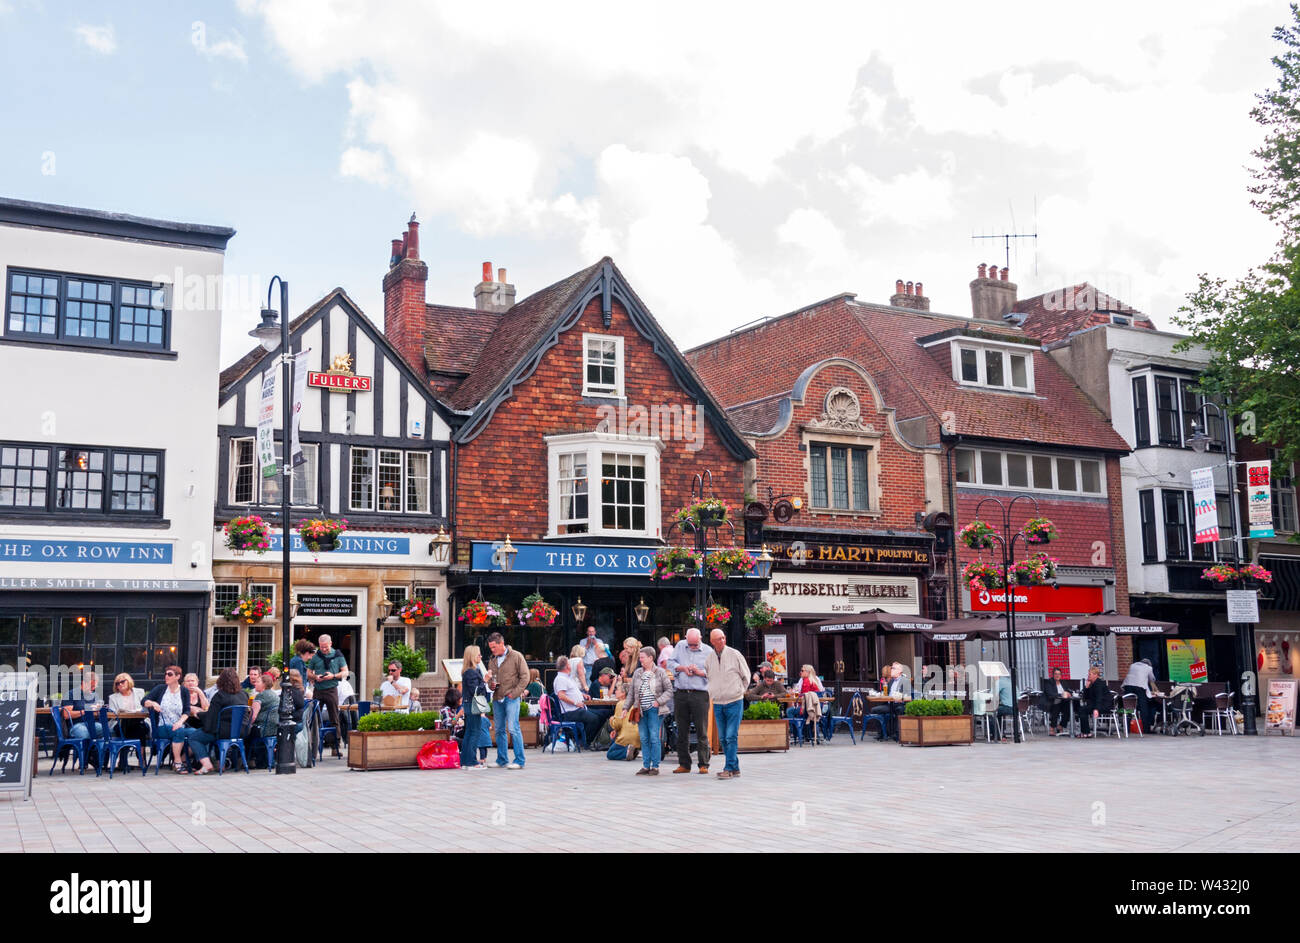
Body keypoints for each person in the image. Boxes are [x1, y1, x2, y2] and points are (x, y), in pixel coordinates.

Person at [181, 668, 248, 774]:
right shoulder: (243, 694)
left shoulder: (220, 696)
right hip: (241, 731)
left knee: (194, 738)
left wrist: (197, 713)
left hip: (223, 732)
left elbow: (211, 717)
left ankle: (207, 764)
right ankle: (219, 762)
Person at [666, 628, 712, 774]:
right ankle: (684, 764)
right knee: (682, 730)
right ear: (686, 639)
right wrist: (682, 668)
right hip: (681, 693)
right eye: (690, 644)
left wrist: (699, 672)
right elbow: (670, 663)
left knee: (701, 730)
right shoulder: (680, 645)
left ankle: (703, 764)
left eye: (695, 645)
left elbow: (714, 672)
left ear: (700, 639)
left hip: (700, 693)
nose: (692, 647)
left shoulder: (708, 651)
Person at [706, 629, 750, 779]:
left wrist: (740, 691)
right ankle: (735, 767)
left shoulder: (734, 654)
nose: (722, 641)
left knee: (731, 736)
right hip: (718, 702)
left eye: (723, 637)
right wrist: (712, 692)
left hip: (734, 701)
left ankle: (728, 768)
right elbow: (708, 676)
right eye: (718, 639)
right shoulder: (709, 658)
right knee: (724, 738)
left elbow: (746, 675)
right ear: (712, 641)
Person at [142, 666, 201, 773]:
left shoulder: (183, 691)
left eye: (170, 674)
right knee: (178, 731)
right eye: (165, 674)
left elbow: (187, 711)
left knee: (198, 734)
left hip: (179, 725)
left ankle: (182, 759)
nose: (166, 676)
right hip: (161, 726)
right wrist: (153, 703)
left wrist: (180, 722)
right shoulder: (160, 689)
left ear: (178, 676)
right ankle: (178, 762)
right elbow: (144, 701)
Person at [484, 631, 529, 770]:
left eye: (493, 647)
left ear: (501, 644)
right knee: (498, 730)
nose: (492, 650)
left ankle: (519, 760)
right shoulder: (492, 659)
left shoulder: (516, 656)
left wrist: (514, 694)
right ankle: (502, 759)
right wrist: (491, 684)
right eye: (490, 648)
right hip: (497, 698)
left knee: (513, 728)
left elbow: (525, 677)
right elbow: (491, 680)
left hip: (511, 698)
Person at [625, 645, 673, 775]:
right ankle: (646, 765)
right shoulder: (638, 673)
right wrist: (626, 708)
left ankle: (655, 766)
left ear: (651, 658)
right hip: (640, 710)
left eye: (642, 657)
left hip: (655, 710)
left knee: (654, 737)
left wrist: (658, 701)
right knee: (644, 738)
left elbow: (669, 690)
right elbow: (631, 693)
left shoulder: (660, 672)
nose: (640, 660)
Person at [307, 634, 349, 756]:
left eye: (325, 647)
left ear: (330, 643)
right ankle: (313, 748)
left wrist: (333, 676)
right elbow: (308, 672)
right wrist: (315, 677)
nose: (324, 649)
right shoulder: (316, 656)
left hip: (331, 689)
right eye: (321, 647)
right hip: (318, 690)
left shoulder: (338, 655)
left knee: (334, 718)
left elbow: (345, 671)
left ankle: (335, 747)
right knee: (314, 719)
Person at [552, 656, 605, 745]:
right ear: (567, 666)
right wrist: (575, 703)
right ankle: (585, 741)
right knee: (594, 719)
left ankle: (589, 739)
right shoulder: (561, 679)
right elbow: (561, 696)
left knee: (602, 714)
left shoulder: (567, 678)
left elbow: (572, 691)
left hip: (578, 708)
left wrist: (582, 695)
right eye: (569, 663)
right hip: (571, 711)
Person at [458, 646, 488, 770]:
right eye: (479, 655)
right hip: (472, 704)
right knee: (474, 733)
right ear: (472, 656)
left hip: (469, 704)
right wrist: (485, 681)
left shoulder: (471, 670)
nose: (481, 657)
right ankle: (472, 762)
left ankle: (465, 761)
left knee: (469, 732)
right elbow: (475, 690)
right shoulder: (471, 672)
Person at [246, 673, 280, 767]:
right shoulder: (274, 695)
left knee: (244, 734)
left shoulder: (260, 696)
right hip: (274, 729)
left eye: (258, 682)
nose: (255, 684)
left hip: (263, 729)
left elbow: (253, 716)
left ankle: (248, 761)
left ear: (264, 684)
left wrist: (247, 725)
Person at [107, 672, 148, 746]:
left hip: (139, 721)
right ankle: (141, 756)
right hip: (120, 724)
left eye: (122, 682)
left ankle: (125, 755)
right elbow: (112, 715)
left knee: (140, 727)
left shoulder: (140, 692)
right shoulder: (112, 697)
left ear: (128, 681)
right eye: (117, 683)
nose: (120, 684)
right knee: (137, 728)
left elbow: (145, 709)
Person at [869, 663, 905, 741]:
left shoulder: (905, 681)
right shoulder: (891, 681)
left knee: (899, 709)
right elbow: (887, 694)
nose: (891, 669)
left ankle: (897, 734)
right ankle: (881, 733)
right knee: (874, 710)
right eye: (891, 668)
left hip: (898, 704)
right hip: (889, 704)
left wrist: (901, 697)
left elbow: (910, 694)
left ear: (899, 671)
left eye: (893, 668)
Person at [64, 668, 103, 742]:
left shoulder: (95, 695)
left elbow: (97, 713)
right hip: (76, 725)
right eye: (91, 686)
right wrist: (86, 711)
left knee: (107, 731)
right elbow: (66, 714)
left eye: (95, 686)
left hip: (92, 723)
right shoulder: (71, 694)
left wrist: (98, 711)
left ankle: (99, 753)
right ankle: (85, 753)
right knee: (84, 734)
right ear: (83, 683)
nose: (93, 688)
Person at [1121, 657, 1158, 733]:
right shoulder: (1148, 668)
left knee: (1129, 707)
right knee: (1143, 708)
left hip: (1128, 686)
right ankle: (1146, 730)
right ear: (1149, 664)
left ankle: (1127, 729)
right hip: (1139, 687)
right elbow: (1152, 679)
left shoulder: (1133, 665)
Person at [1079, 666, 1112, 738]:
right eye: (1088, 674)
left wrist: (1096, 709)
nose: (1088, 676)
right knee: (1081, 709)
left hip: (1103, 705)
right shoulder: (1092, 684)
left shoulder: (1099, 684)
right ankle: (1085, 732)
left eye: (1090, 674)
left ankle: (1086, 732)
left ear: (1095, 675)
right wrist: (1086, 688)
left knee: (1082, 710)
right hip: (1096, 705)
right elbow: (1085, 698)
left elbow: (1099, 698)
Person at [1041, 668, 1073, 735]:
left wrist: (1069, 693)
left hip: (1063, 702)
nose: (1057, 675)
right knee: (1056, 706)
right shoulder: (1049, 682)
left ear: (1061, 675)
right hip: (1051, 702)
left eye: (1059, 674)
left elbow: (1068, 690)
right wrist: (1061, 694)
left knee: (1069, 707)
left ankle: (1060, 726)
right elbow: (1050, 694)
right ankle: (1052, 728)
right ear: (1053, 675)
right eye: (1056, 674)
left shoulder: (1063, 682)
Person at [995, 674, 1015, 742]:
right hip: (1016, 708)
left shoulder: (1000, 682)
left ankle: (998, 735)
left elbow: (992, 693)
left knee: (994, 713)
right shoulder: (1010, 681)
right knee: (1000, 711)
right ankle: (1002, 734)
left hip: (1009, 708)